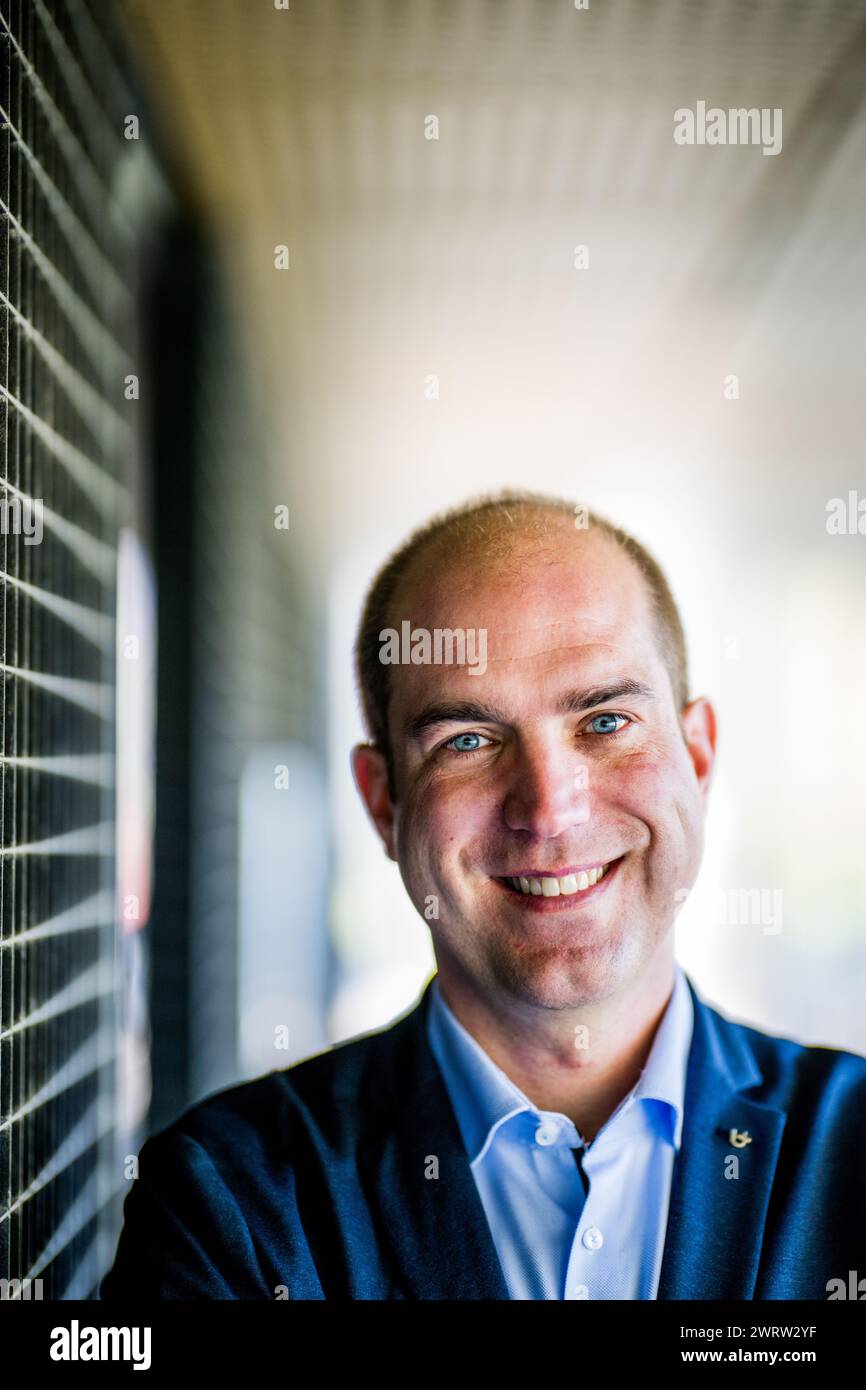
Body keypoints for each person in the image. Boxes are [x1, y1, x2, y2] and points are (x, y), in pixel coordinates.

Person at [100, 489, 866, 1300]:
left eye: (605, 721)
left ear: (698, 756)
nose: (548, 809)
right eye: (468, 740)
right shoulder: (233, 1206)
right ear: (384, 802)